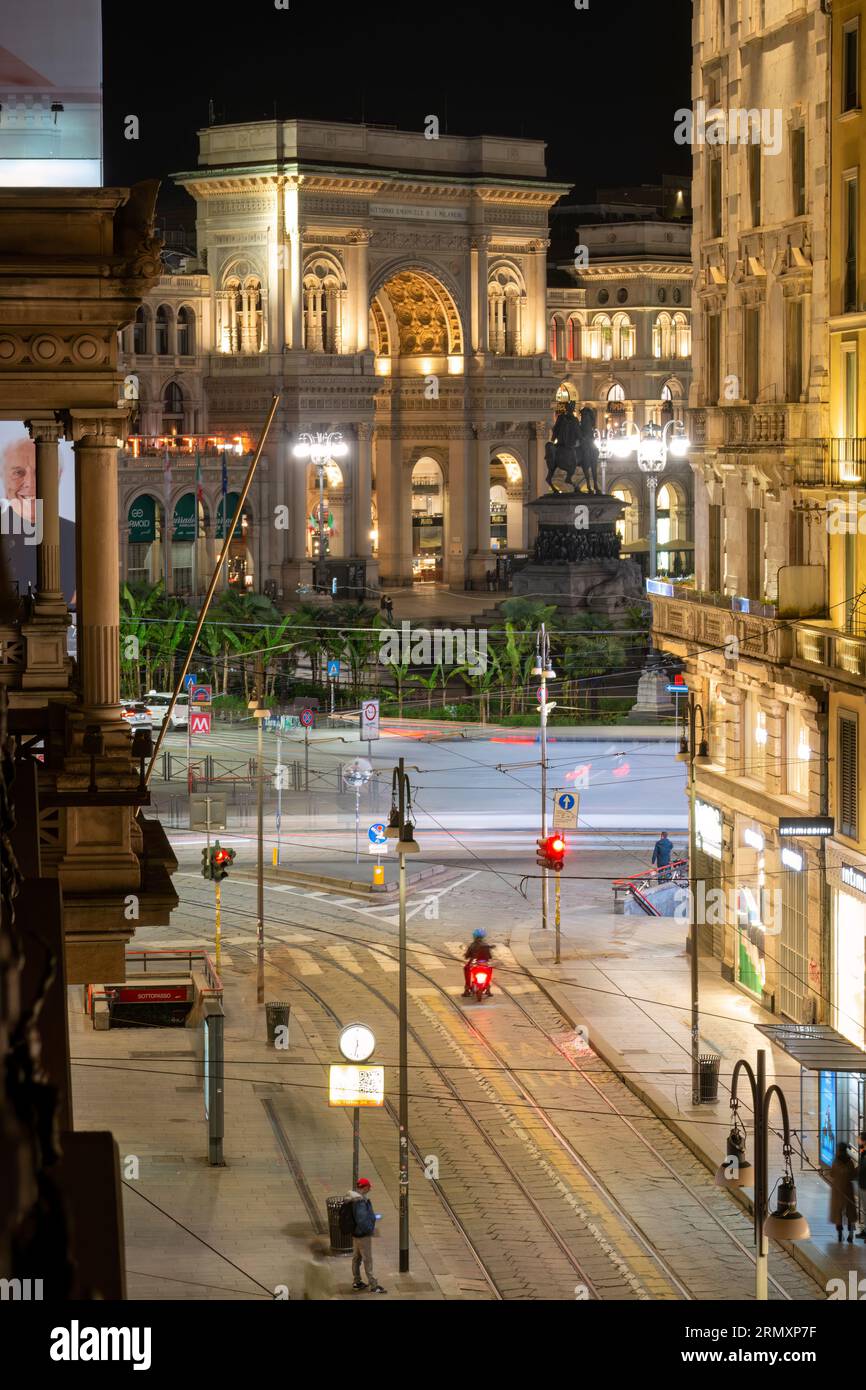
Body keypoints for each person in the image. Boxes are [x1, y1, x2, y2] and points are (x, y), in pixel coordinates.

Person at [347, 1178, 386, 1293]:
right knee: (367, 1259)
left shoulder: (354, 1197)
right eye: (369, 1187)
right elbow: (362, 1219)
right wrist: (369, 1229)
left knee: (357, 1258)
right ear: (364, 1188)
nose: (370, 1188)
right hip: (362, 1235)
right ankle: (373, 1285)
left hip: (356, 1233)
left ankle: (357, 1282)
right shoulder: (359, 1201)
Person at [829, 1141, 858, 1243]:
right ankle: (850, 1234)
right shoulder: (850, 1162)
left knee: (838, 1212)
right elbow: (853, 1176)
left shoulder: (835, 1161)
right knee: (850, 1211)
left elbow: (832, 1174)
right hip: (848, 1189)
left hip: (837, 1190)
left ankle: (840, 1235)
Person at [463, 926, 493, 996]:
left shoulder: (472, 945)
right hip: (484, 964)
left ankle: (467, 989)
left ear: (474, 937)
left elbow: (467, 956)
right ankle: (488, 988)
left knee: (466, 969)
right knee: (490, 970)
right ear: (483, 937)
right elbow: (490, 956)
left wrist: (466, 955)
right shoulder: (486, 945)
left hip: (474, 963)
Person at [857, 1133, 866, 1238]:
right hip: (863, 1184)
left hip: (864, 1185)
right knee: (864, 1209)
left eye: (859, 1139)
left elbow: (863, 1169)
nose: (858, 1141)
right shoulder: (863, 1152)